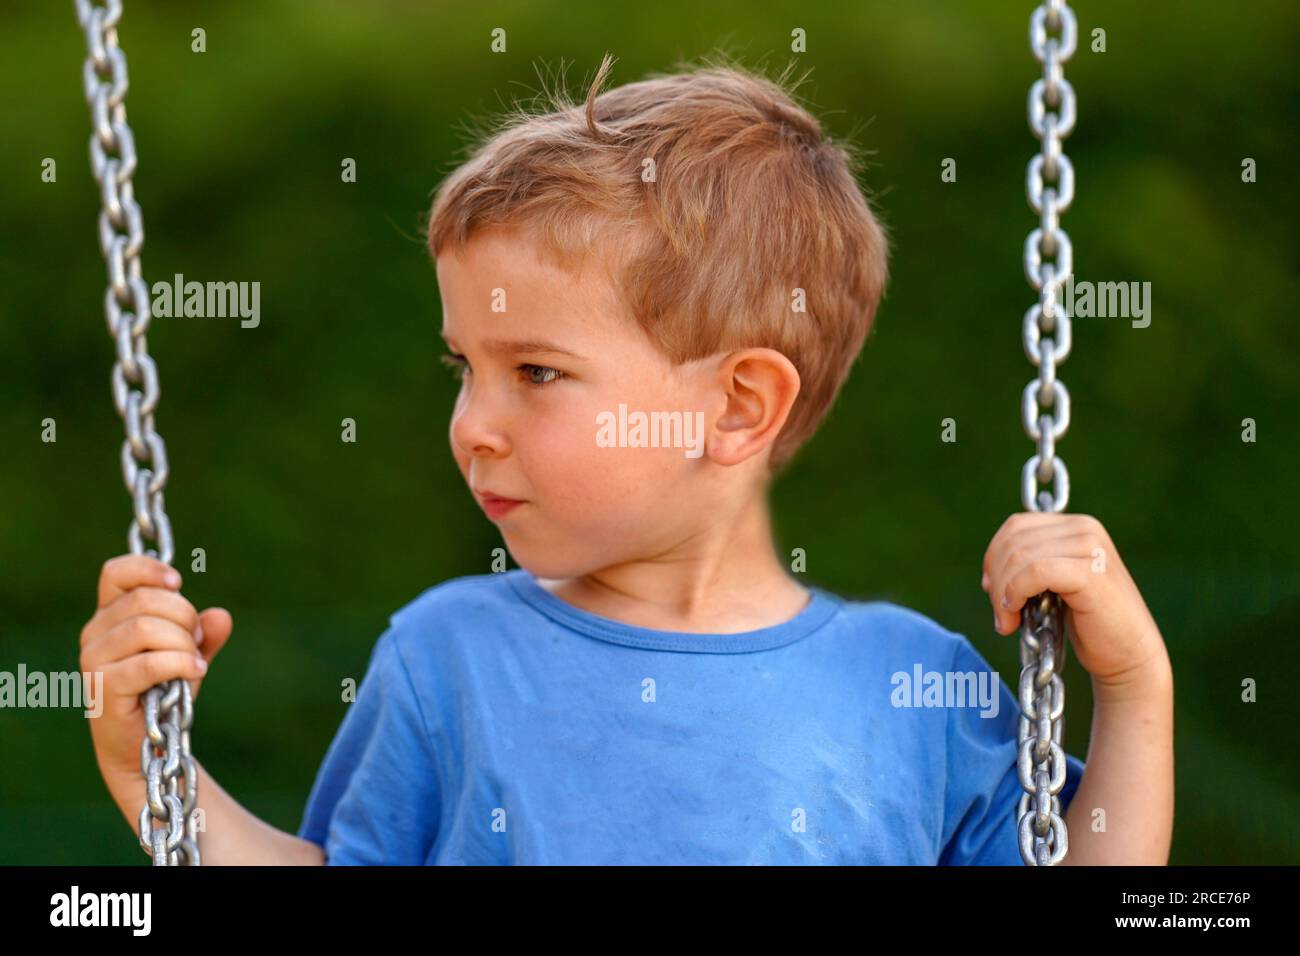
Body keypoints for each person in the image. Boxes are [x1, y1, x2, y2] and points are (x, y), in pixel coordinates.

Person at [80, 54, 1173, 865]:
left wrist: (1132, 686)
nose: (472, 422)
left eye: (537, 372)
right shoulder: (446, 658)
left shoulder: (911, 687)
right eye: (464, 365)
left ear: (738, 406)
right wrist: (155, 771)